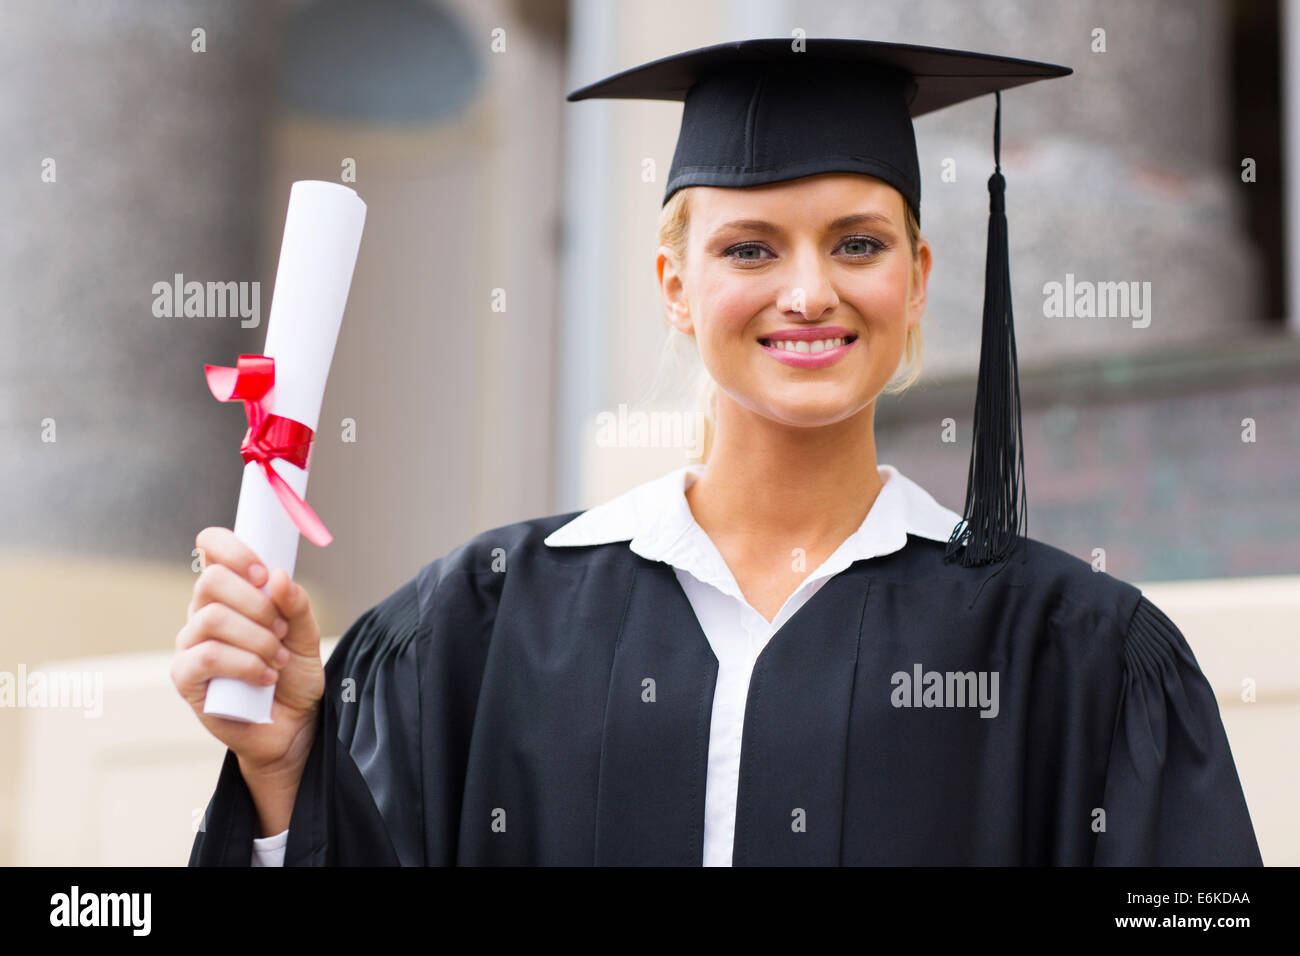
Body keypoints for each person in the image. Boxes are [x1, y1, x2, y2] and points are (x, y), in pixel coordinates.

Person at [175, 37, 1263, 866]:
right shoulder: (478, 625)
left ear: (918, 277)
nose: (807, 291)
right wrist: (281, 777)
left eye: (857, 244)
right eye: (749, 247)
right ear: (675, 287)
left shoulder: (1074, 652)